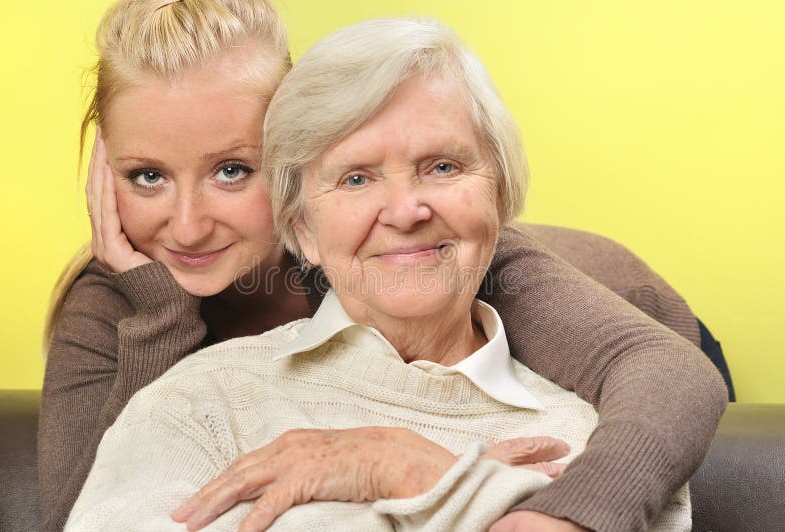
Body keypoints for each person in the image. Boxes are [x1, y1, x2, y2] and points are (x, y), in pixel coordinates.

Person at [41, 1, 727, 531]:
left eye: (231, 170)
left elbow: (663, 370)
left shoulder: (437, 254)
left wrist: (485, 493)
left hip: (653, 329)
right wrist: (157, 309)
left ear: (294, 159)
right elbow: (91, 503)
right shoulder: (117, 307)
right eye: (146, 176)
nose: (186, 226)